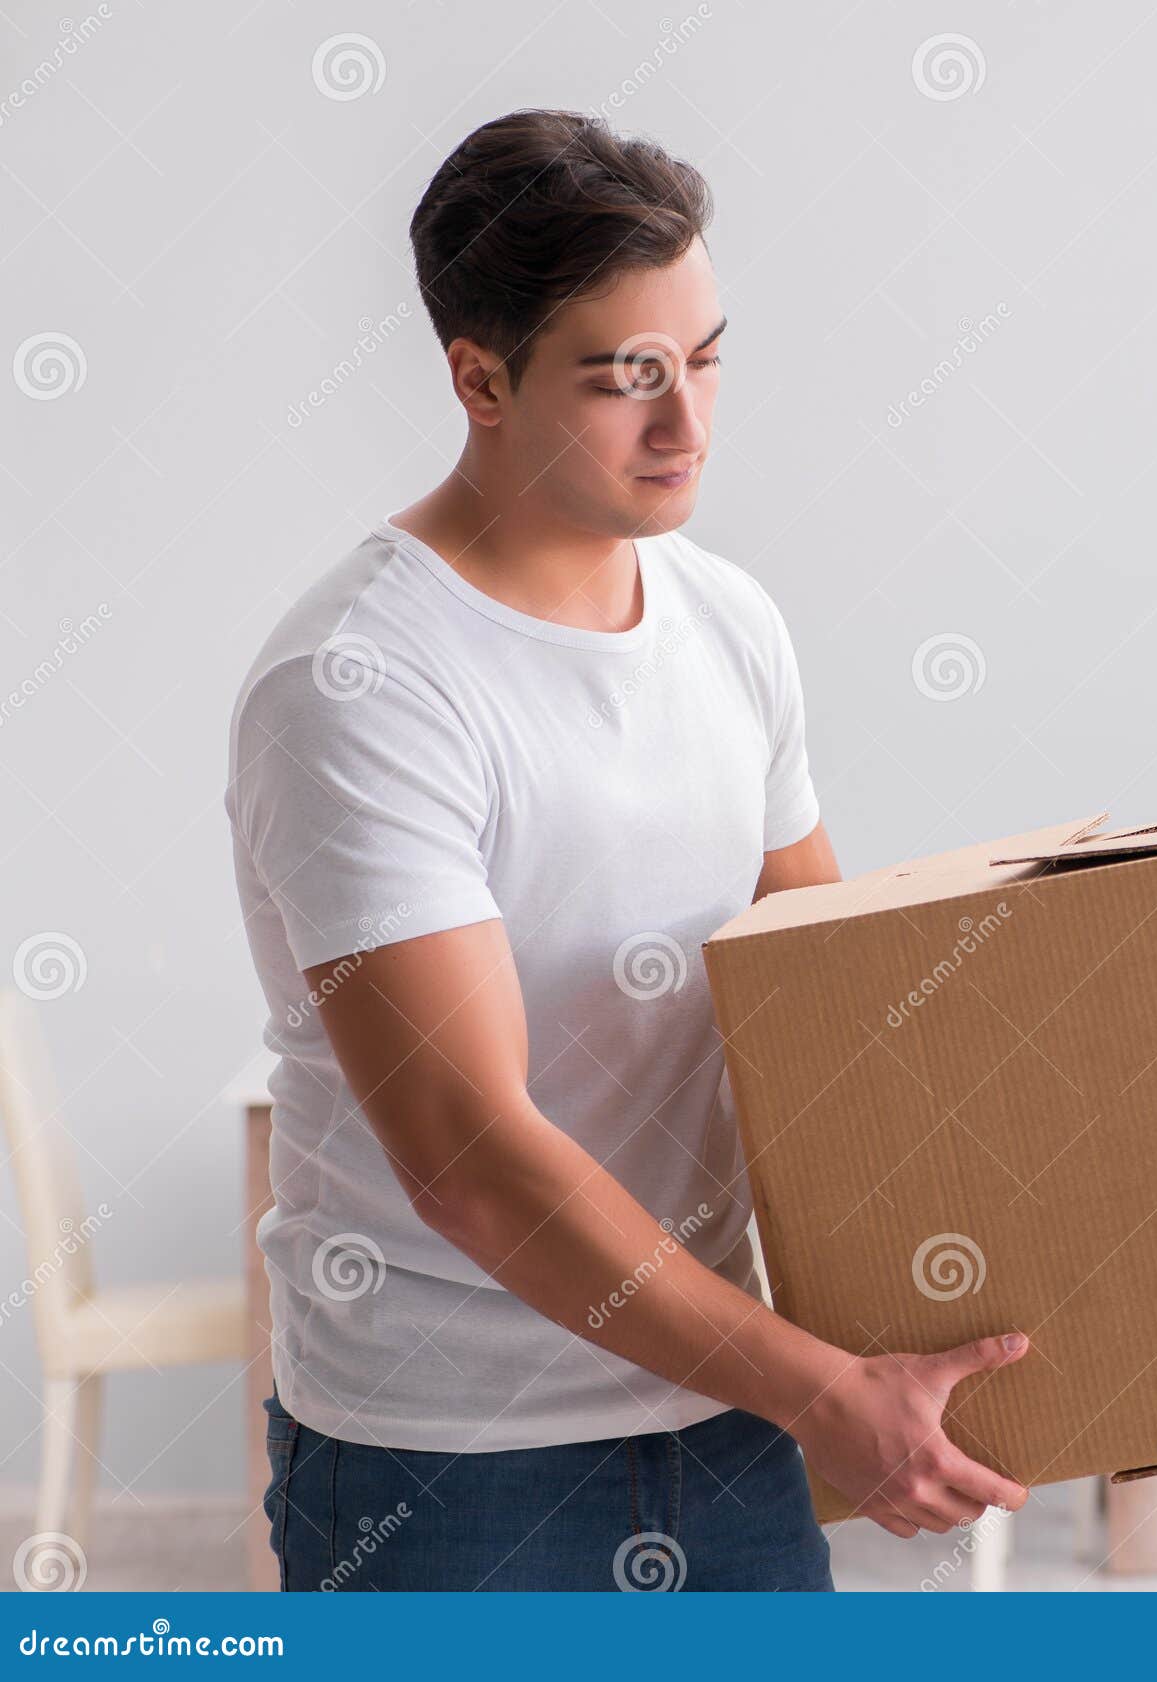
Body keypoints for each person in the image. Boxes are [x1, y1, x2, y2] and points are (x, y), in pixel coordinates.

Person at [226, 108, 1029, 1593]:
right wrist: (817, 1388)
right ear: (478, 379)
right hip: (450, 1459)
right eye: (625, 379)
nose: (687, 425)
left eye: (707, 357)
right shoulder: (360, 685)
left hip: (720, 1408)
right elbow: (473, 1162)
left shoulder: (727, 619)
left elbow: (825, 992)